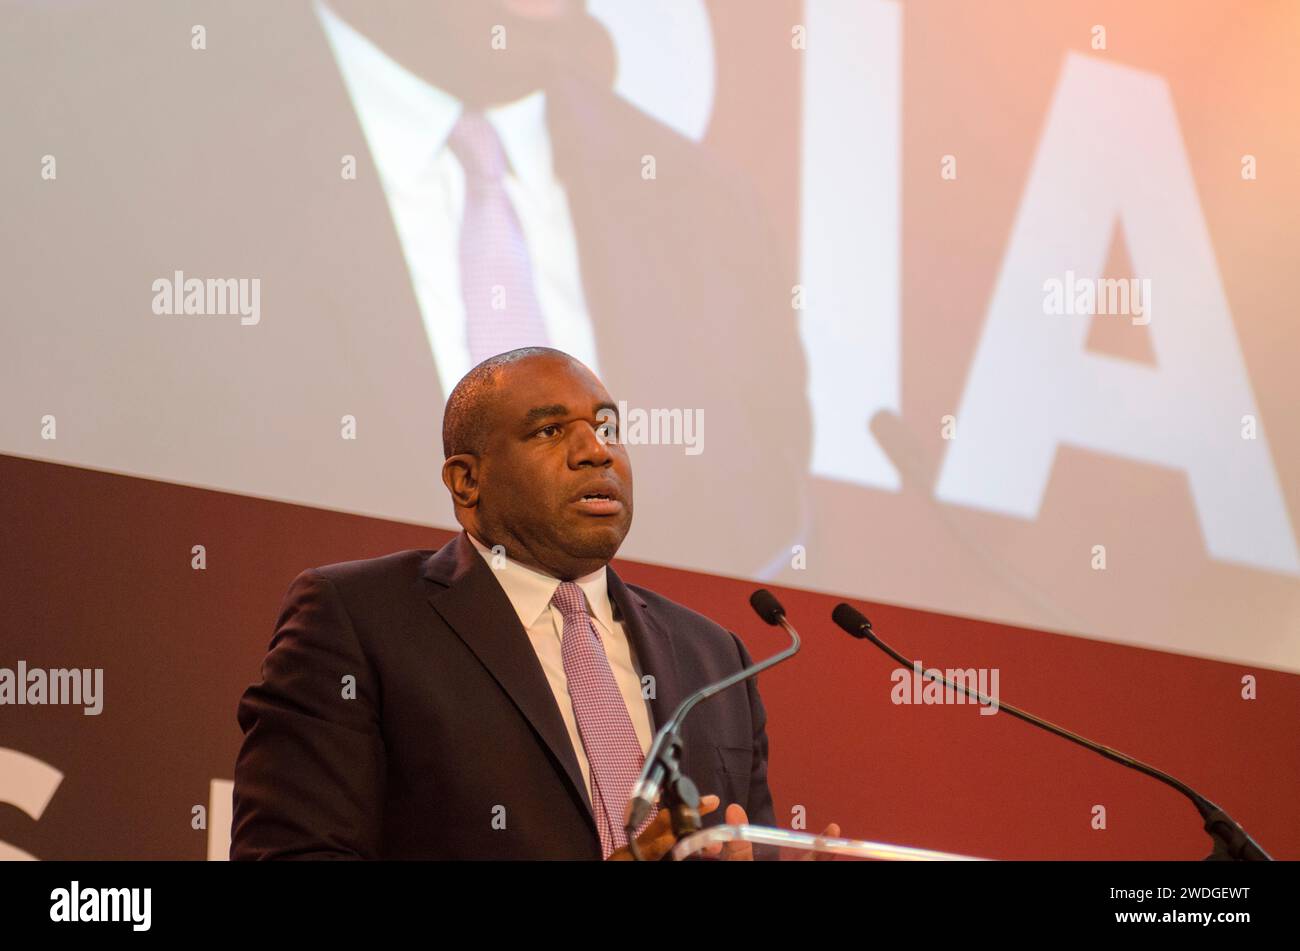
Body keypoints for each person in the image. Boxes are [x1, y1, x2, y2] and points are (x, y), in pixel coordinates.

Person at [232, 347, 834, 859]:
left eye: (607, 430)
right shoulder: (359, 618)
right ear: (466, 481)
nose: (596, 452)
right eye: (549, 431)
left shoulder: (716, 657)